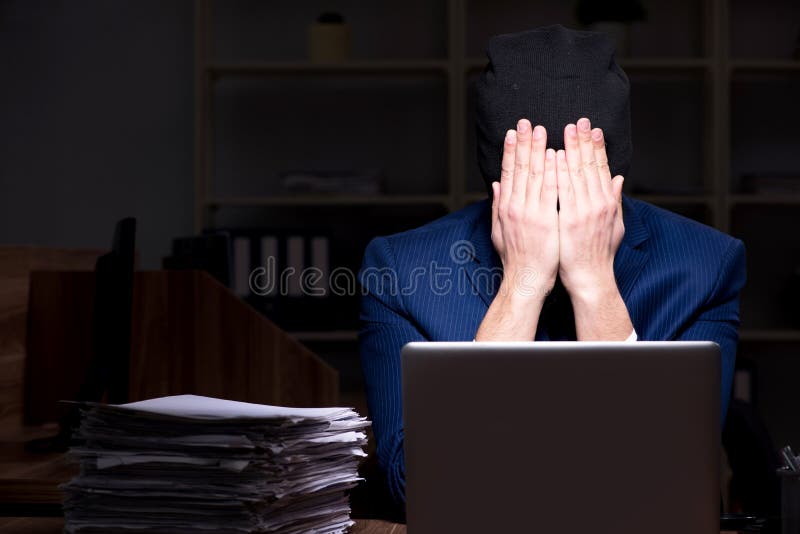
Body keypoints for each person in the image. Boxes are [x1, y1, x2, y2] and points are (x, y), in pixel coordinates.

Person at [358, 25, 746, 507]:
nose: (560, 213)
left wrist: (595, 284)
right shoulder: (400, 271)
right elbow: (413, 487)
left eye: (580, 188)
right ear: (501, 182)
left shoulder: (706, 266)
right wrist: (521, 286)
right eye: (536, 189)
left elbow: (672, 484)